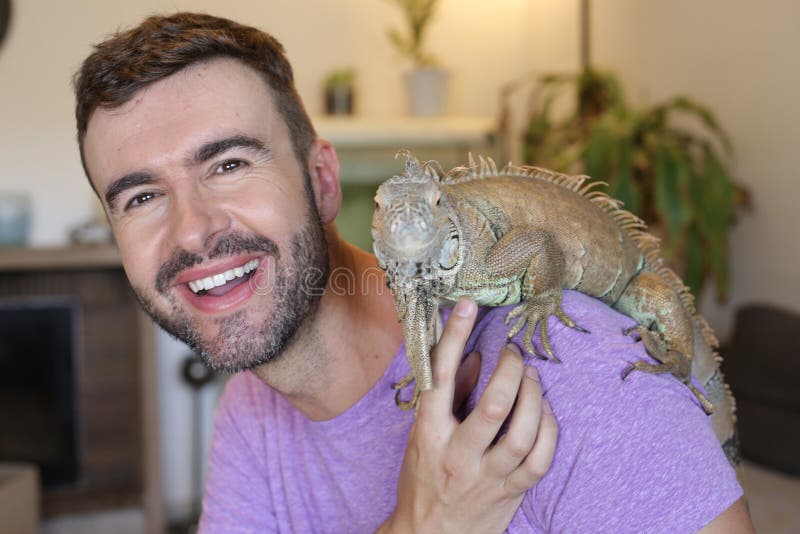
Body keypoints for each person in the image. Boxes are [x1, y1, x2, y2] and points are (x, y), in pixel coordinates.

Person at [73, 12, 753, 533]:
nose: (191, 229)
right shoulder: (253, 412)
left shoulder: (565, 368)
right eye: (141, 197)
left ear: (323, 181)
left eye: (229, 164)